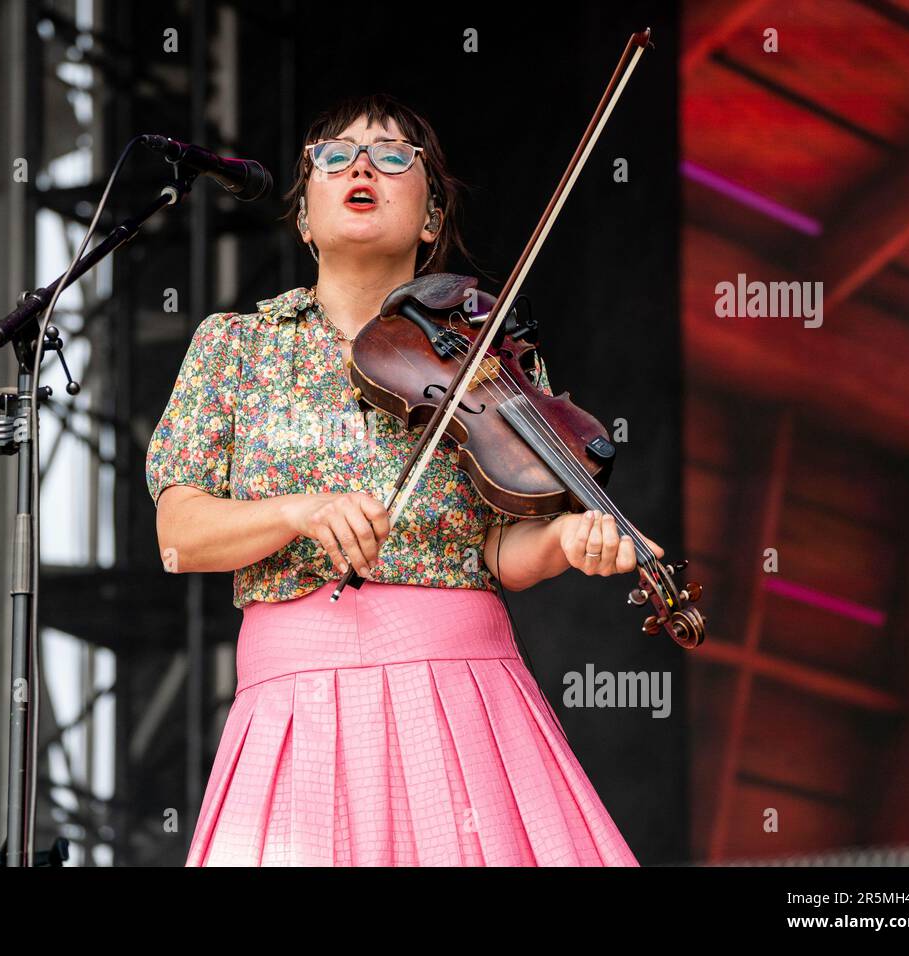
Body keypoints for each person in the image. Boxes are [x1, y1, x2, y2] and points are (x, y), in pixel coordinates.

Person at [144, 93, 661, 866]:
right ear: (305, 218)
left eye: (392, 156)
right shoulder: (235, 347)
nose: (361, 165)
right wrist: (300, 511)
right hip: (294, 703)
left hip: (462, 695)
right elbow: (179, 537)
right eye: (334, 155)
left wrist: (564, 538)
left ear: (429, 218)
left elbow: (498, 554)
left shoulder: (490, 356)